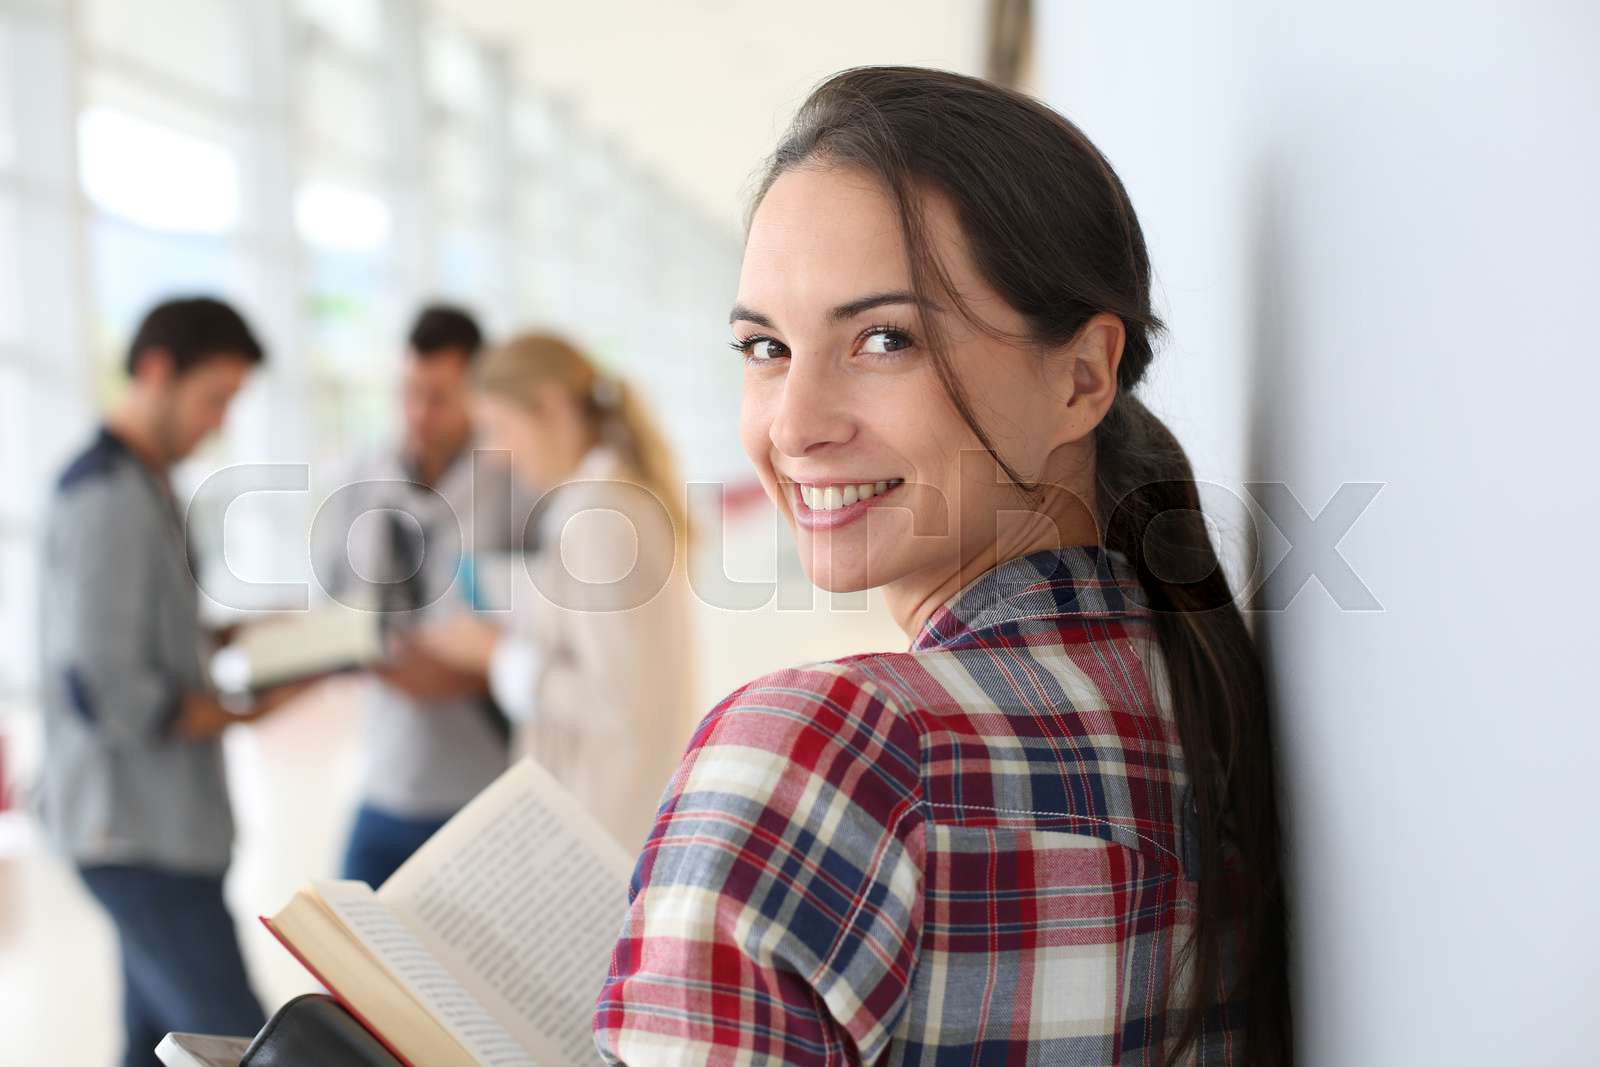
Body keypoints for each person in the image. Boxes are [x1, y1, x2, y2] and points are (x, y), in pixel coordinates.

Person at [593, 68, 1290, 1065]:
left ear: (1081, 376)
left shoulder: (830, 754)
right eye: (764, 346)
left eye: (883, 338)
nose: (793, 424)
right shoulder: (1202, 708)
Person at [36, 297, 306, 1067]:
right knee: (249, 1045)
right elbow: (110, 687)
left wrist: (239, 636)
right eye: (213, 398)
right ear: (156, 371)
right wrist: (245, 713)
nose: (218, 422)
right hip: (134, 836)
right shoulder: (104, 497)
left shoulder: (149, 488)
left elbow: (144, 641)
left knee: (152, 1047)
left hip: (161, 830)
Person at [411, 333, 695, 853]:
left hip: (604, 820)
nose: (495, 455)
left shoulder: (597, 518)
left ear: (550, 406)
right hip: (623, 810)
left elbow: (613, 700)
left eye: (499, 427)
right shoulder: (612, 501)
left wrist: (495, 654)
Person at [314, 304, 530, 888]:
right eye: (408, 393)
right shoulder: (361, 479)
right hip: (387, 777)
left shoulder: (516, 485)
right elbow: (333, 607)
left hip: (482, 787)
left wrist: (458, 672)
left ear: (477, 394)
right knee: (348, 964)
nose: (418, 414)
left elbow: (541, 642)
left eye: (438, 397)